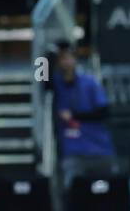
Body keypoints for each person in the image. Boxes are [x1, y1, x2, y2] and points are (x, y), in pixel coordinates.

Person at [50, 42, 117, 189]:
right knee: (74, 193)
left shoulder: (89, 83)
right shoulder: (56, 83)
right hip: (73, 151)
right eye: (62, 59)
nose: (66, 62)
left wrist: (75, 115)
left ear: (75, 60)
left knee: (107, 191)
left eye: (69, 58)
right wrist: (51, 52)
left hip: (98, 147)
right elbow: (41, 76)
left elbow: (103, 112)